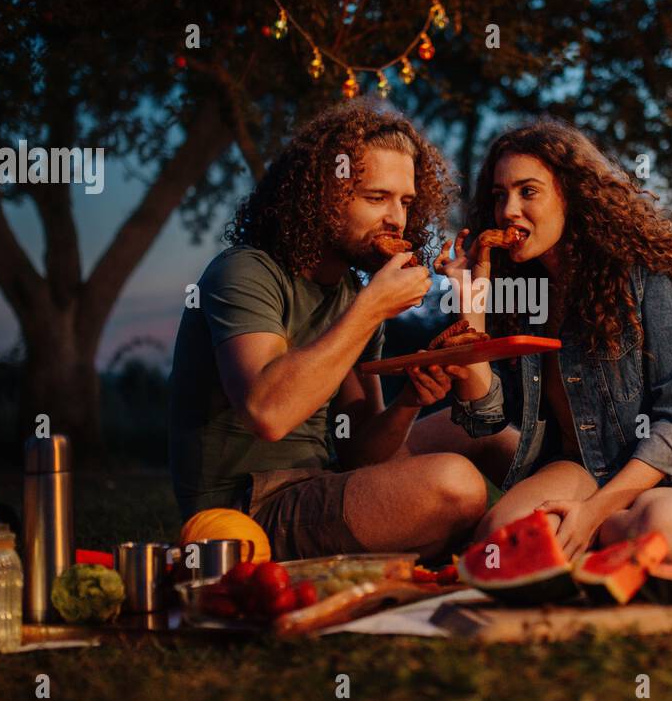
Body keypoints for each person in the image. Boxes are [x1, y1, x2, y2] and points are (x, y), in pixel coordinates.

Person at [168, 101, 517, 561]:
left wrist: (409, 402)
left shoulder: (349, 291)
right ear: (321, 196)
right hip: (243, 511)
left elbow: (359, 451)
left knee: (491, 433)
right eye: (377, 198)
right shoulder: (246, 271)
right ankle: (469, 553)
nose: (397, 219)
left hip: (320, 481)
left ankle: (572, 528)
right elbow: (267, 413)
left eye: (406, 202)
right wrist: (371, 309)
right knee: (455, 484)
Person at [439, 118, 672, 564]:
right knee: (499, 540)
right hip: (581, 471)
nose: (508, 209)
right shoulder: (519, 294)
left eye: (528, 191)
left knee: (657, 528)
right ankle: (595, 539)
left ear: (573, 194)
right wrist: (471, 300)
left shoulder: (646, 274)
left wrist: (593, 512)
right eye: (499, 195)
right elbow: (486, 421)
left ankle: (600, 532)